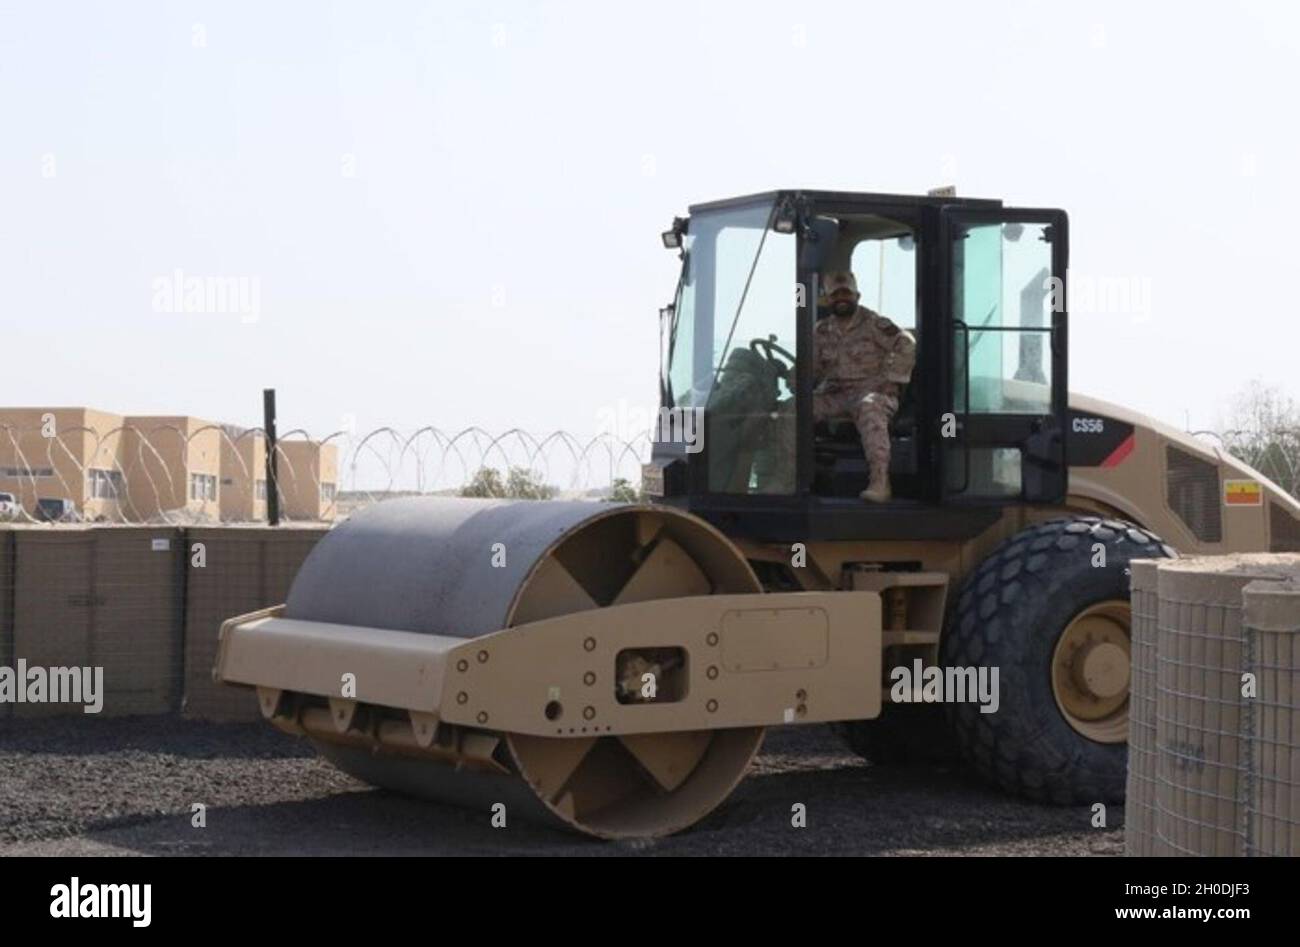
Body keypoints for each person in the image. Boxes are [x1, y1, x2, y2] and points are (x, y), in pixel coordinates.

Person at [814, 270, 916, 502]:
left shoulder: (874, 324)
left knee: (870, 408)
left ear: (857, 296)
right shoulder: (821, 331)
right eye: (835, 294)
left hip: (873, 392)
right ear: (827, 299)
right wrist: (792, 377)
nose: (841, 298)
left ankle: (880, 482)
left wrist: (890, 380)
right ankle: (787, 480)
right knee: (795, 410)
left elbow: (907, 344)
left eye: (846, 293)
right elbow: (813, 368)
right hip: (836, 394)